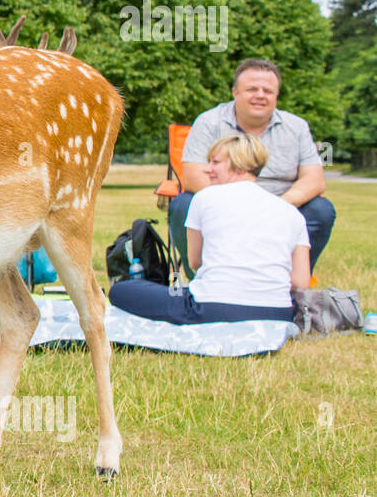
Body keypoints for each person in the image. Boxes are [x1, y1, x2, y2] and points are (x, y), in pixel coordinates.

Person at [111, 134, 309, 324]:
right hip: (278, 313)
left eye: (215, 162)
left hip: (211, 309)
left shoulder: (205, 198)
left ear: (240, 163)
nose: (207, 169)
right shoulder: (292, 213)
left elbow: (195, 262)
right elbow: (300, 282)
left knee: (121, 290)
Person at [169, 58, 334, 277]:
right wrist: (241, 206)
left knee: (321, 210)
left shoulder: (297, 127)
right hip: (222, 204)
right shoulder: (208, 122)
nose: (260, 95)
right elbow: (193, 177)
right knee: (182, 205)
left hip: (281, 205)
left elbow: (314, 180)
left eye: (268, 91)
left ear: (276, 95)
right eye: (252, 89)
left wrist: (275, 207)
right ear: (235, 92)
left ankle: (290, 283)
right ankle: (201, 281)